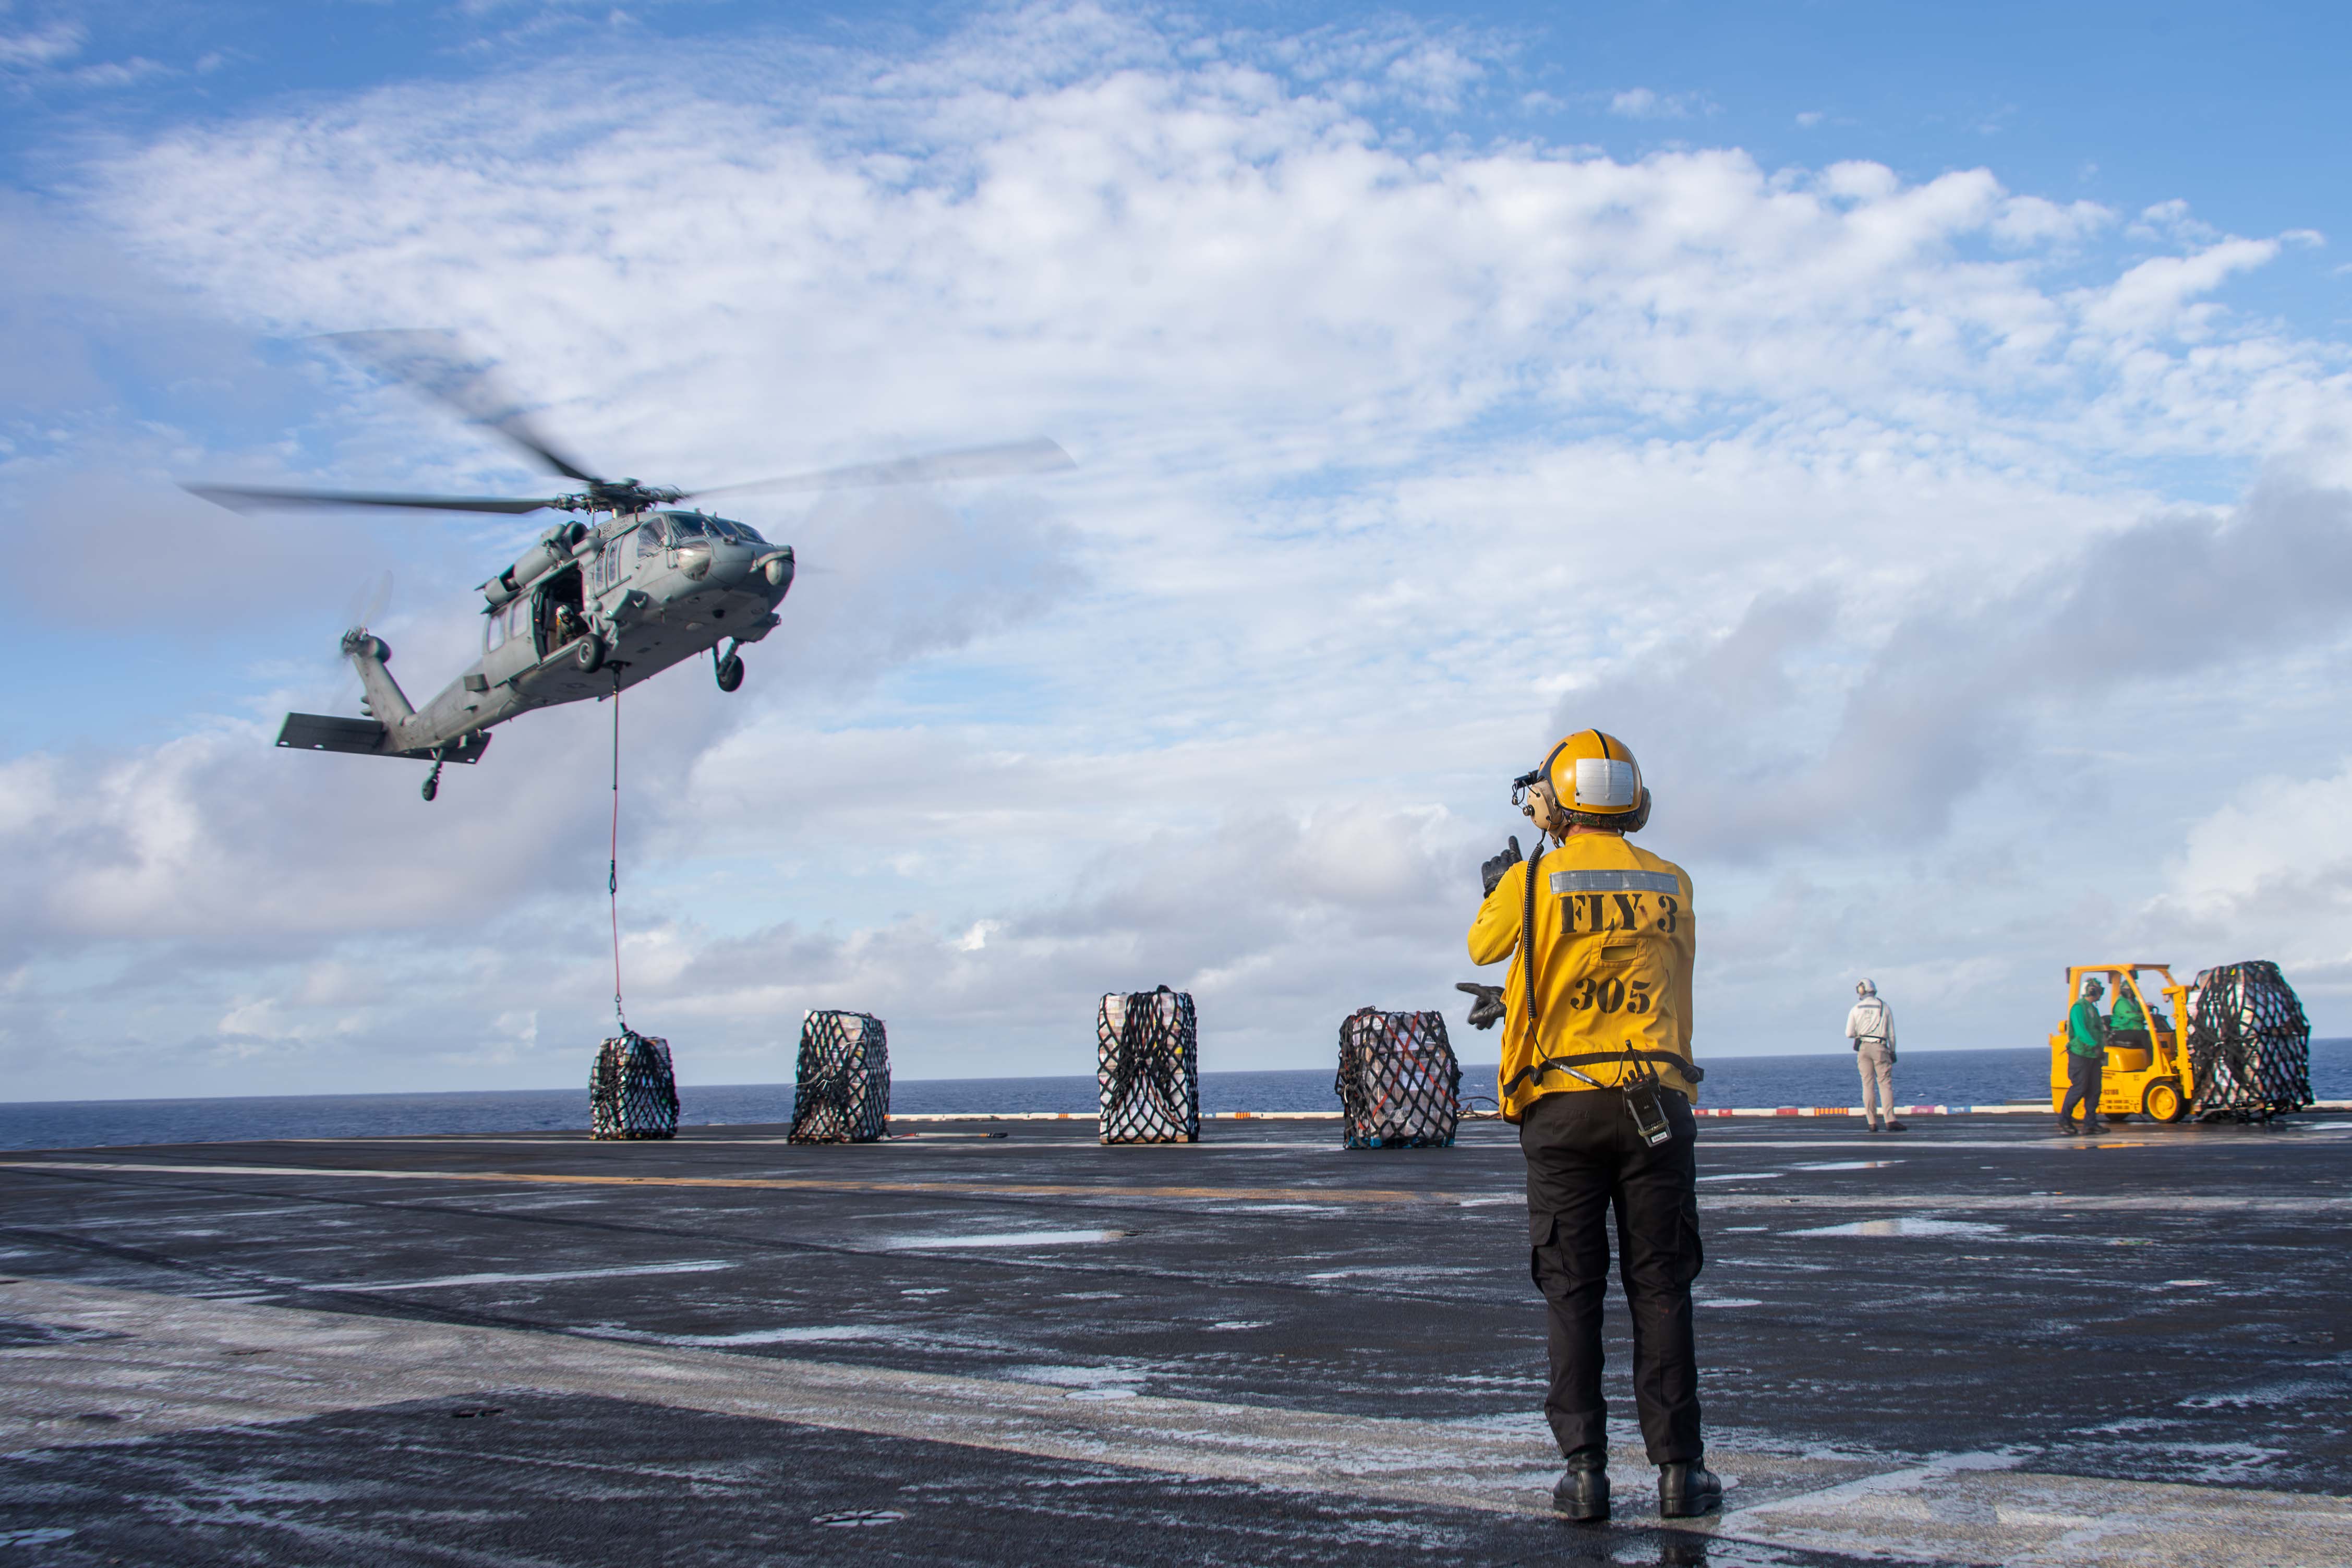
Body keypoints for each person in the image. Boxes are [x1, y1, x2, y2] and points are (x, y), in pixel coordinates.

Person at [1464, 729, 1717, 1524]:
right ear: (1633, 800)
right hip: (1655, 1106)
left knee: (1571, 1290)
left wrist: (1513, 878)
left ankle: (1583, 1474)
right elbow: (1630, 970)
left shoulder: (1534, 878)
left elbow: (1484, 941)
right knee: (1661, 1286)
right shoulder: (1673, 883)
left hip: (1562, 1108)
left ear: (1550, 800)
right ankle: (1679, 1471)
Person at [1846, 980, 1904, 1133]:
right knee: (1884, 1084)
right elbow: (1891, 1033)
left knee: (1867, 1085)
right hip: (1880, 1046)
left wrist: (1861, 1033)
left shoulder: (1855, 1009)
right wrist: (1893, 1051)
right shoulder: (1884, 1007)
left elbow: (1849, 1033)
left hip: (1863, 1048)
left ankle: (1872, 1122)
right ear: (1874, 991)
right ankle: (1890, 1120)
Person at [2060, 977, 2109, 1135]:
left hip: (2094, 1054)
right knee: (2079, 1088)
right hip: (2081, 1054)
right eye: (2098, 990)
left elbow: (2097, 1030)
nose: (2100, 994)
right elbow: (2081, 1031)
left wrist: (2100, 1048)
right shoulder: (2078, 1008)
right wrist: (2094, 1045)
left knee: (2095, 1089)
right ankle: (2065, 1120)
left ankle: (2091, 1123)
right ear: (2091, 991)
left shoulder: (2092, 1008)